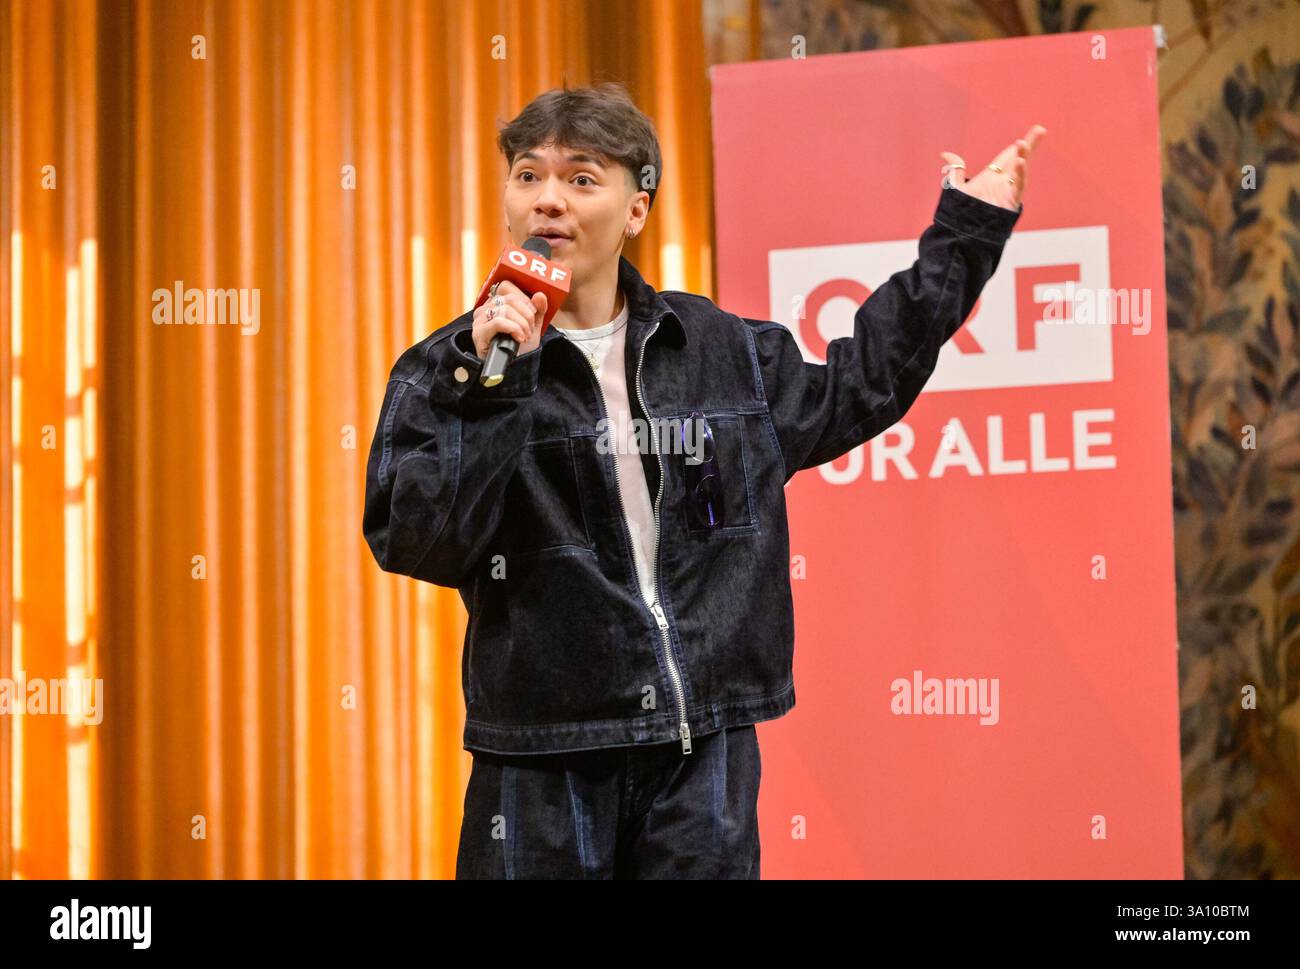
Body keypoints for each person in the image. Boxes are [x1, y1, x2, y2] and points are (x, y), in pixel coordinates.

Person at [363, 81, 1044, 879]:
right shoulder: (452, 365)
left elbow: (859, 385)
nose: (548, 199)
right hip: (542, 761)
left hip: (701, 757)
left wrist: (965, 233)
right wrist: (492, 386)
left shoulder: (717, 349)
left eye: (581, 178)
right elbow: (418, 539)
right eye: (527, 175)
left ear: (636, 209)